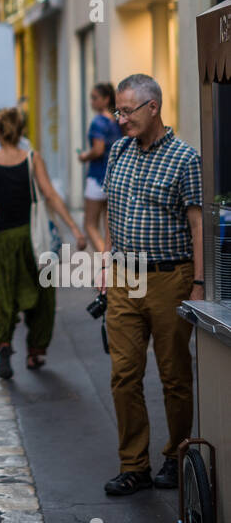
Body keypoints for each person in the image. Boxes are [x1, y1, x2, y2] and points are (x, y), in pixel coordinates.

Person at [100, 74, 203, 497]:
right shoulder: (118, 151)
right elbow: (112, 210)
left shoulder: (185, 159)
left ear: (153, 108)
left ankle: (177, 455)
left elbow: (198, 225)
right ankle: (134, 465)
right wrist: (106, 263)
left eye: (127, 111)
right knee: (124, 374)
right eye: (117, 111)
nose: (121, 119)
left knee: (174, 376)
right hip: (124, 278)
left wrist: (198, 283)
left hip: (169, 279)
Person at [0, 108, 87, 379]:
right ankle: (36, 351)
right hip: (36, 236)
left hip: (4, 237)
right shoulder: (32, 159)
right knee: (43, 293)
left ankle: (4, 344)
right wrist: (75, 229)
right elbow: (50, 195)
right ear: (22, 131)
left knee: (6, 293)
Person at [79, 83, 122, 254]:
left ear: (106, 99)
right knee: (109, 227)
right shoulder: (118, 120)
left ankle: (106, 261)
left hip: (97, 178)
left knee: (90, 224)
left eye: (95, 98)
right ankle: (111, 261)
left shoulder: (98, 122)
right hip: (114, 177)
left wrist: (84, 156)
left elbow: (98, 150)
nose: (91, 102)